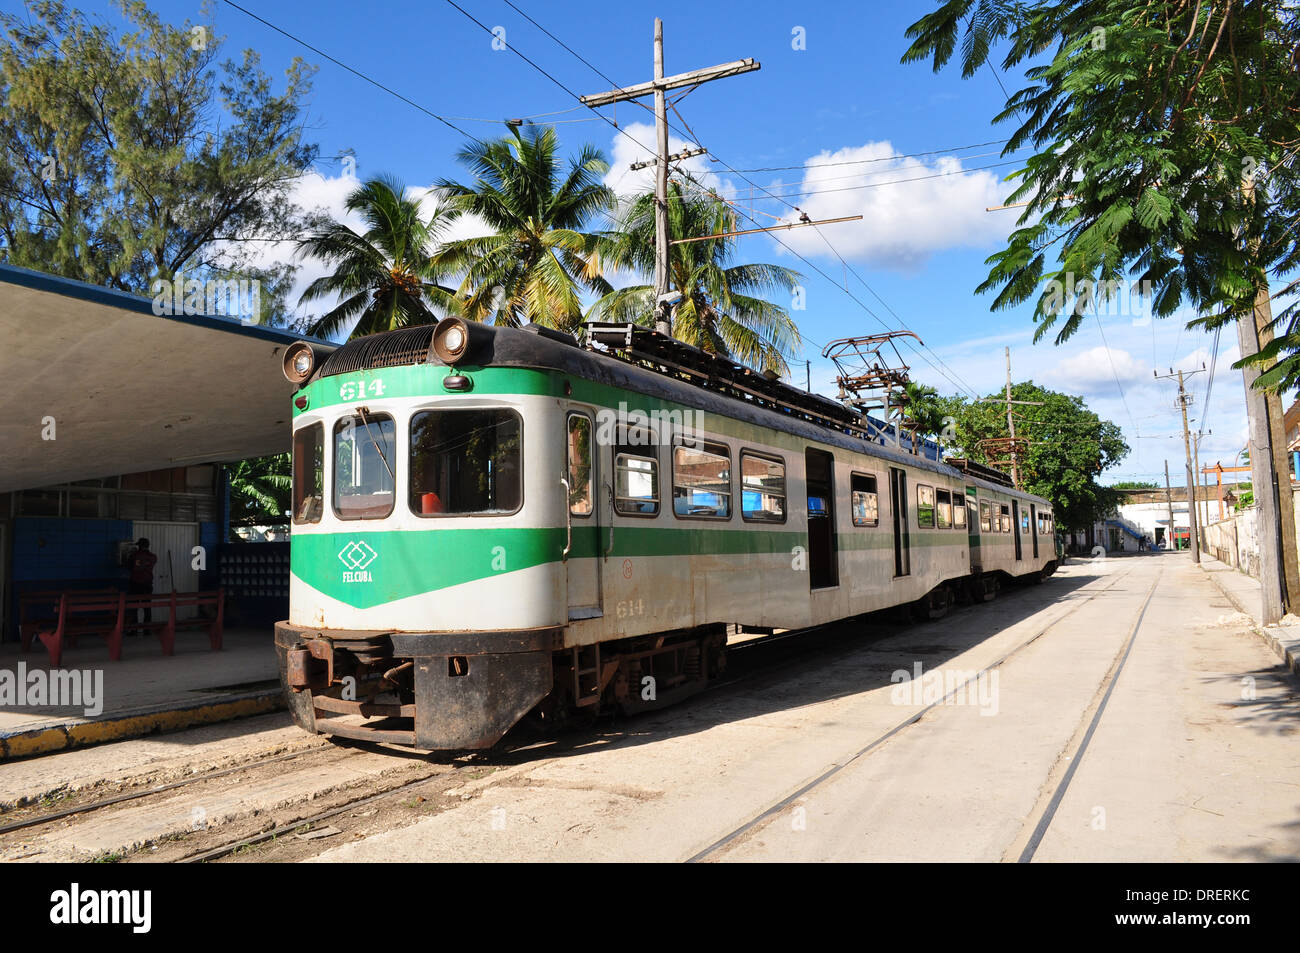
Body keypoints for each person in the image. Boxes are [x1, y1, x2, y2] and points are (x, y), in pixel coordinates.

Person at [124, 538, 158, 633]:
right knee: (147, 607)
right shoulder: (153, 557)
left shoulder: (135, 555)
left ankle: (134, 630)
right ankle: (147, 630)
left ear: (140, 546)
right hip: (147, 584)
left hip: (135, 584)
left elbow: (129, 566)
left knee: (134, 607)